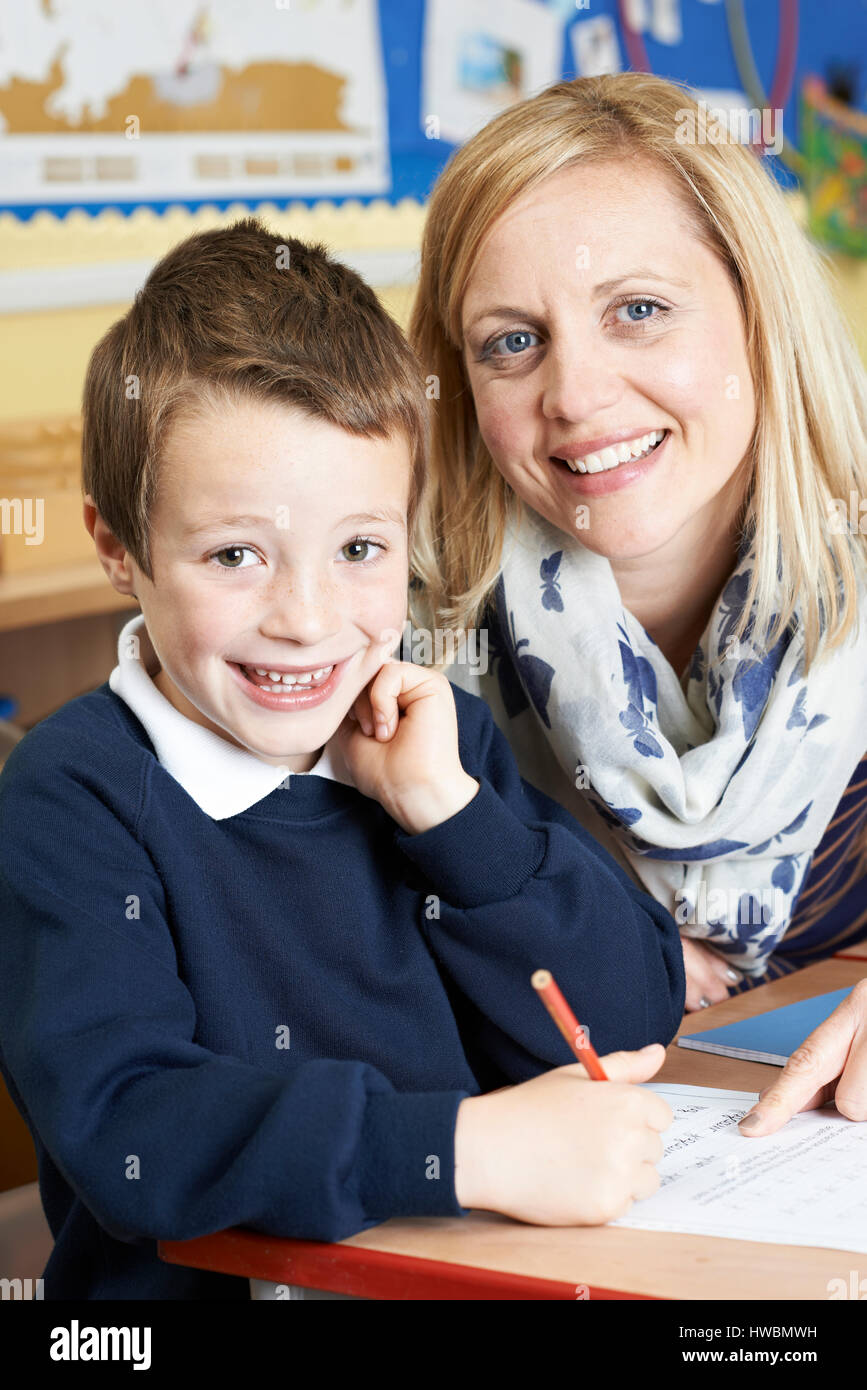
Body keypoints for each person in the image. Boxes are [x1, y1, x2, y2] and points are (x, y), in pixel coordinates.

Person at [0, 219, 684, 1300]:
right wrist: (460, 1150)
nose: (307, 620)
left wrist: (452, 819)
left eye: (360, 548)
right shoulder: (78, 794)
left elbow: (633, 1016)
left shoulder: (430, 741)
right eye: (235, 555)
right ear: (117, 545)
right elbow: (127, 1126)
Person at [407, 72, 867, 1135]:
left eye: (640, 311)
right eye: (512, 341)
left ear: (759, 315)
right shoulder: (400, 648)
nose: (574, 394)